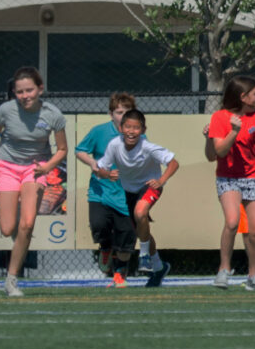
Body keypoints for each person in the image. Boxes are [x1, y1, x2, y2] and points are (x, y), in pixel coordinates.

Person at [0, 68, 66, 299]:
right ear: (14, 93)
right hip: (6, 167)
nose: (25, 96)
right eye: (20, 92)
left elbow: (62, 149)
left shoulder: (53, 114)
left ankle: (11, 280)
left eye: (29, 90)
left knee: (28, 224)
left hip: (36, 168)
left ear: (40, 89)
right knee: (7, 228)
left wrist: (48, 167)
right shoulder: (5, 110)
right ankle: (19, 218)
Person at [89, 108, 179, 285]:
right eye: (128, 127)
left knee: (140, 212)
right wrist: (107, 174)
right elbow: (100, 169)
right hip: (129, 192)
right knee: (141, 229)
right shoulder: (114, 145)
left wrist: (161, 180)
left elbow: (173, 163)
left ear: (143, 130)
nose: (131, 131)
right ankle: (159, 267)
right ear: (121, 128)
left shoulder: (147, 147)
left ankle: (144, 256)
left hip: (149, 186)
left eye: (136, 128)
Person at [207, 73, 255, 291]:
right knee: (232, 222)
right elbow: (219, 151)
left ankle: (253, 276)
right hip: (228, 178)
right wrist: (234, 131)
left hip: (253, 177)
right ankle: (223, 270)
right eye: (254, 94)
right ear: (243, 96)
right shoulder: (220, 117)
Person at [75, 93, 139, 285]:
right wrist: (92, 163)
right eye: (119, 112)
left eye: (127, 112)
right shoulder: (99, 132)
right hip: (100, 192)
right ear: (111, 114)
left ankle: (120, 271)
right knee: (99, 225)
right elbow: (80, 150)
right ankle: (105, 247)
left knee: (126, 236)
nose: (123, 116)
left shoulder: (138, 135)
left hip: (126, 195)